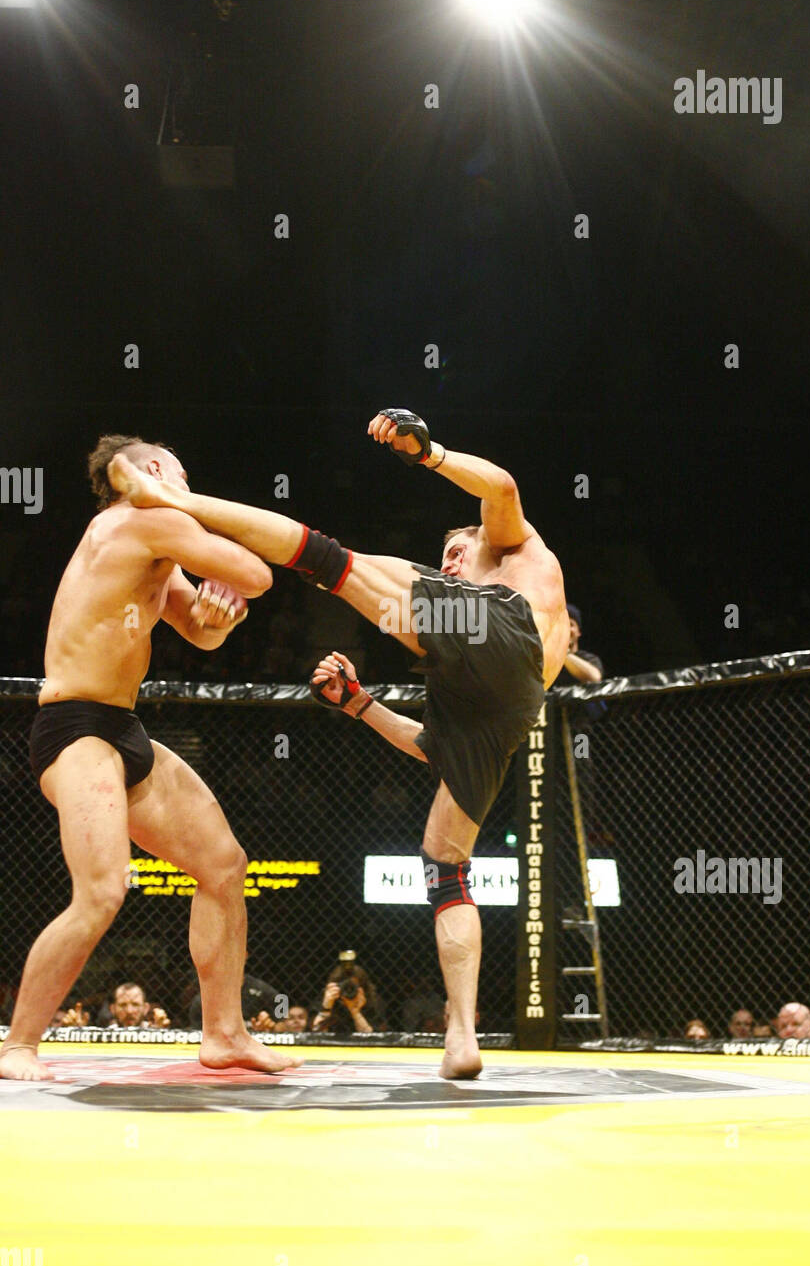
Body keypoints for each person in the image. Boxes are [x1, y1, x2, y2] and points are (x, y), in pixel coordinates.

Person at [108, 410, 569, 1079]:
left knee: (330, 560)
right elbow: (429, 747)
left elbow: (500, 489)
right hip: (506, 704)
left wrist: (431, 453)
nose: (446, 564)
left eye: (455, 553)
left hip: (500, 633)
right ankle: (462, 1033)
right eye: (441, 560)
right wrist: (361, 705)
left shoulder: (513, 556)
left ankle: (180, 503)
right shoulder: (456, 656)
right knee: (444, 862)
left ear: (484, 546)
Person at [0, 436, 299, 1082]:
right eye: (179, 473)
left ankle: (224, 1034)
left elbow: (202, 629)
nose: (188, 483)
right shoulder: (139, 521)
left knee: (223, 866)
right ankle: (19, 1043)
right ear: (150, 473)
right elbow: (258, 574)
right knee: (103, 891)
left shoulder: (154, 544)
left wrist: (221, 618)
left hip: (121, 726)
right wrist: (229, 582)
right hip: (76, 729)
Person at [557, 605, 603, 683]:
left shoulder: (588, 658)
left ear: (578, 632)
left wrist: (563, 652)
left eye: (570, 624)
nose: (565, 628)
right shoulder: (547, 662)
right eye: (561, 624)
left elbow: (594, 678)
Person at [105, 981, 170, 1029]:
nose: (129, 1011)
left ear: (145, 1008)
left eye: (135, 1005)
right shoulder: (104, 1035)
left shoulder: (153, 1032)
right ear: (112, 1009)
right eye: (123, 1005)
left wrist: (161, 1033)